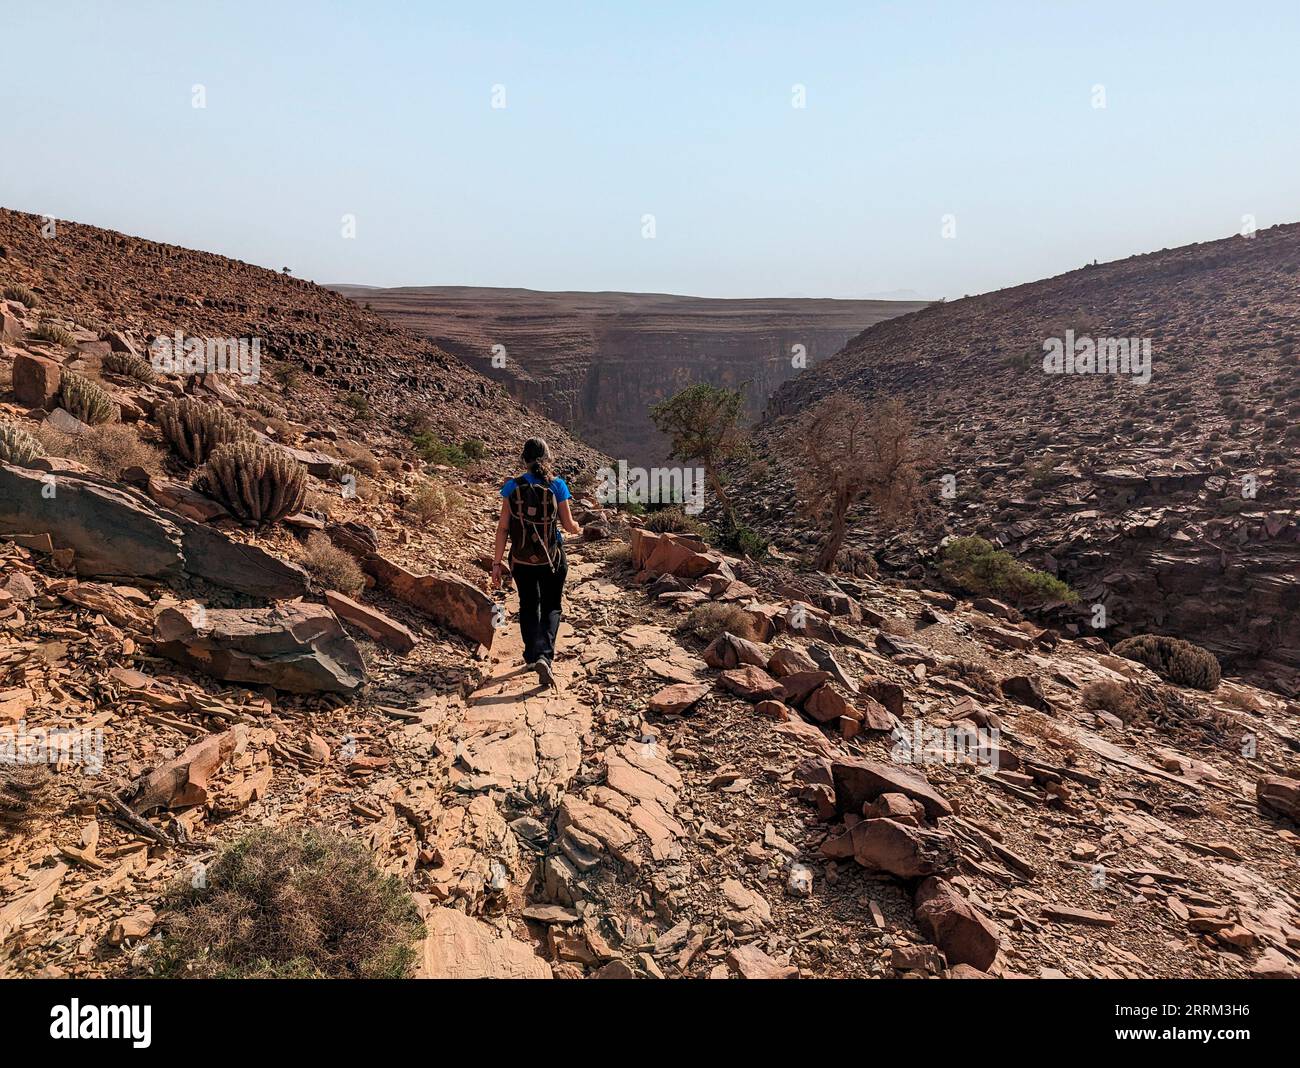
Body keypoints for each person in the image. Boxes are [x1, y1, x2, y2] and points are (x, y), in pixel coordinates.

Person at [491, 438, 583, 686]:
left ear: (525, 459)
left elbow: (502, 528)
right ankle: (545, 656)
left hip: (521, 560)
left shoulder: (512, 487)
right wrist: (578, 528)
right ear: (547, 458)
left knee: (529, 604)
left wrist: (497, 563)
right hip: (552, 558)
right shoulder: (557, 485)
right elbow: (568, 525)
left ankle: (532, 656)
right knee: (552, 605)